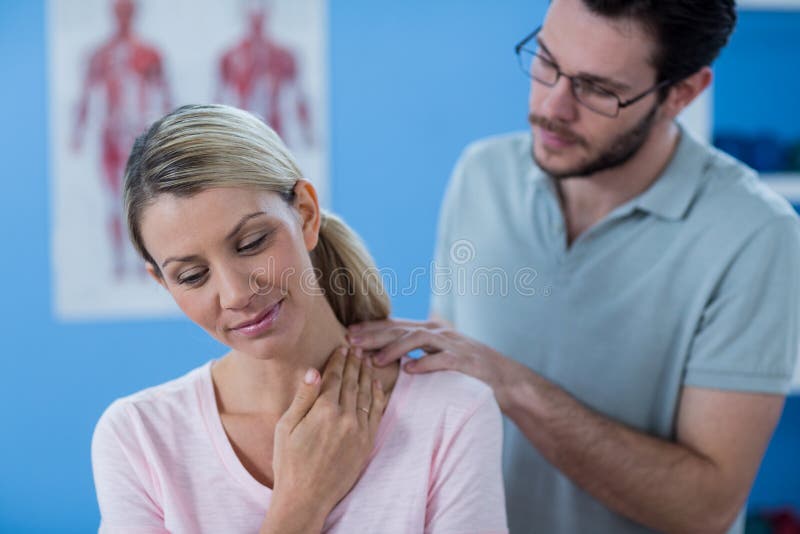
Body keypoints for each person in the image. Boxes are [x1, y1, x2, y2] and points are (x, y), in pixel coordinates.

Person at [347, 1, 800, 533]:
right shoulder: (482, 175)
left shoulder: (754, 233)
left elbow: (704, 508)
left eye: (598, 89)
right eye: (545, 60)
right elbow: (452, 371)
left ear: (682, 94)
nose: (552, 106)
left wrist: (511, 384)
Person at [91, 104, 508, 534]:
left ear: (305, 214)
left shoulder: (452, 412)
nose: (236, 295)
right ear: (163, 284)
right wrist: (301, 504)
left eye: (252, 242)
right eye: (193, 276)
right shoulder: (139, 438)